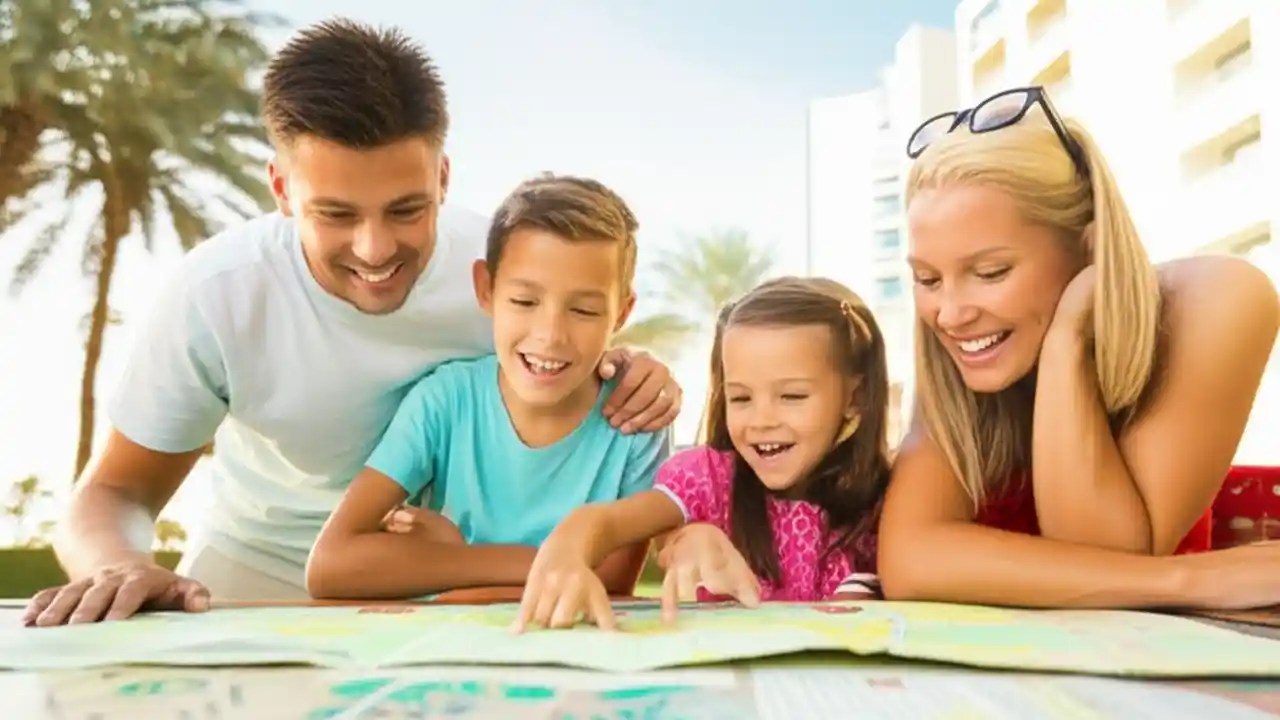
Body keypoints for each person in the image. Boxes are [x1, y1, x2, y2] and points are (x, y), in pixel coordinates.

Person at [22, 19, 681, 627]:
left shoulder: (506, 272)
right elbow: (115, 488)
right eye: (336, 214)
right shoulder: (219, 294)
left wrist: (632, 371)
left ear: (443, 178)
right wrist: (118, 561)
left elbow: (572, 348)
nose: (375, 249)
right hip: (251, 574)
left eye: (406, 210)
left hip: (441, 583)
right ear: (282, 189)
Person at [878, 85, 1280, 608]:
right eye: (928, 279)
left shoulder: (1220, 298)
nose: (950, 315)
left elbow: (1100, 548)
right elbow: (912, 561)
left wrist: (1070, 337)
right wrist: (1193, 580)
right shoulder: (955, 359)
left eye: (990, 272)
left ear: (1088, 247)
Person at [305, 173, 670, 599]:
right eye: (524, 302)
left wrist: (449, 566)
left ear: (621, 313)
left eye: (584, 310)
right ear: (485, 289)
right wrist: (544, 563)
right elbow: (330, 567)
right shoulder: (446, 401)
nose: (551, 334)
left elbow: (611, 584)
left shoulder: (635, 418)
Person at [513, 277, 892, 631]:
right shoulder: (708, 480)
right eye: (740, 397)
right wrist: (569, 550)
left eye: (792, 396)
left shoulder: (889, 500)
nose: (760, 420)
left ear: (854, 398)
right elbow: (607, 523)